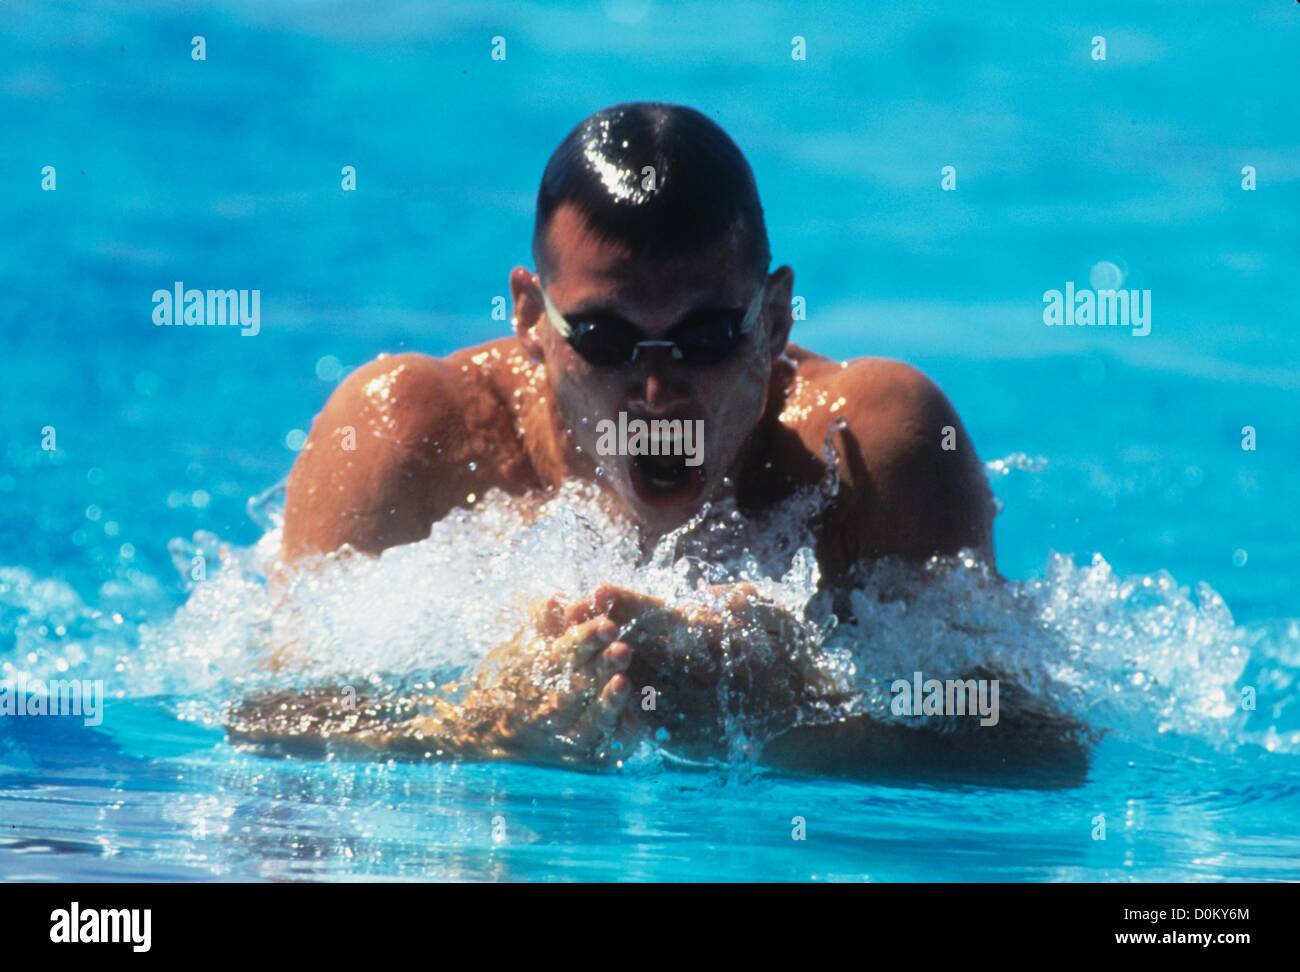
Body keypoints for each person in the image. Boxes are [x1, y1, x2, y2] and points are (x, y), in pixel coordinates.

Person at [230, 102, 1080, 780]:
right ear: (532, 318)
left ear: (775, 320)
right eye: (604, 337)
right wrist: (487, 724)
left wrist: (791, 716)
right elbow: (264, 720)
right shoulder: (407, 436)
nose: (656, 389)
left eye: (707, 336)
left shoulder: (872, 447)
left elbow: (1038, 747)